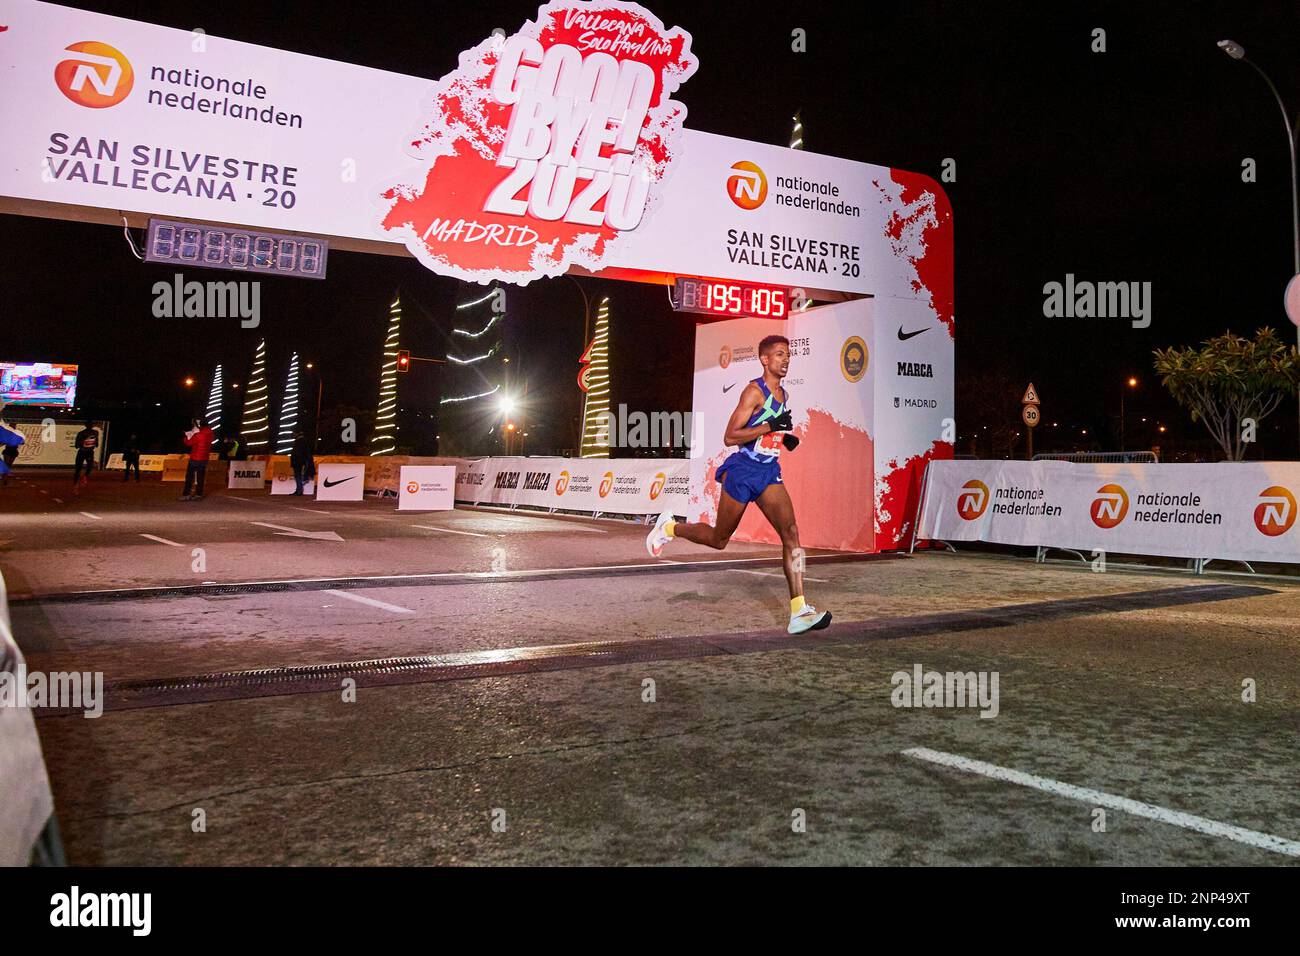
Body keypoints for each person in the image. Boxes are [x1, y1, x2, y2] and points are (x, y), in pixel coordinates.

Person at [646, 334, 832, 635]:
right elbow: (731, 436)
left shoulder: (784, 394)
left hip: (768, 471)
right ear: (765, 359)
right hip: (742, 471)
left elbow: (768, 431)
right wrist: (771, 426)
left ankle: (799, 611)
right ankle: (668, 528)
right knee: (719, 539)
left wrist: (784, 437)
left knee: (791, 533)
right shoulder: (753, 392)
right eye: (779, 355)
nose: (785, 360)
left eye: (788, 355)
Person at [181, 417, 215, 500]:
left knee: (189, 477)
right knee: (201, 477)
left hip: (195, 457)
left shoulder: (199, 434)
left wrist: (186, 437)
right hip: (204, 458)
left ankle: (186, 494)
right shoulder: (211, 434)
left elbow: (188, 443)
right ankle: (199, 494)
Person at [72, 420, 99, 487]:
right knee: (89, 466)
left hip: (82, 452)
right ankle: (85, 477)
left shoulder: (81, 433)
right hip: (89, 452)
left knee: (78, 469)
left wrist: (82, 444)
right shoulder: (95, 433)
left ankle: (76, 485)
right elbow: (97, 444)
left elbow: (76, 445)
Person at [289, 429, 314, 495]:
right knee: (298, 476)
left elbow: (298, 453)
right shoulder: (302, 441)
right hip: (300, 461)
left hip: (298, 462)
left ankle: (299, 490)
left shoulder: (300, 441)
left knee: (298, 476)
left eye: (294, 433)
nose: (293, 434)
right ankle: (298, 490)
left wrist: (296, 460)